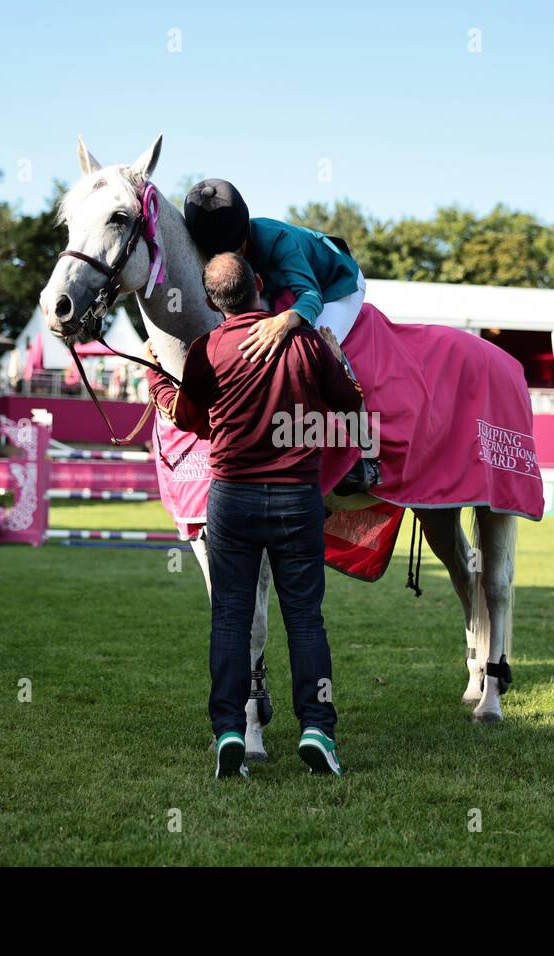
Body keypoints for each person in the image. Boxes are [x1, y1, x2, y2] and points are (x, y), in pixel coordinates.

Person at [145, 252, 362, 779]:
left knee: (230, 618)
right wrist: (337, 354)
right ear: (259, 285)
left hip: (232, 500)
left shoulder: (207, 348)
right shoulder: (308, 341)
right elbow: (351, 407)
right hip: (296, 500)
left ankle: (229, 732)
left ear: (212, 301)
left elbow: (190, 419)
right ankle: (317, 729)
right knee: (305, 619)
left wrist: (155, 378)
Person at [184, 178, 379, 495]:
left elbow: (311, 296)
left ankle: (367, 456)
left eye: (235, 252)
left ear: (245, 234)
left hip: (335, 285)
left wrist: (285, 321)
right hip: (280, 288)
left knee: (316, 345)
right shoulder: (215, 241)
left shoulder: (277, 239)